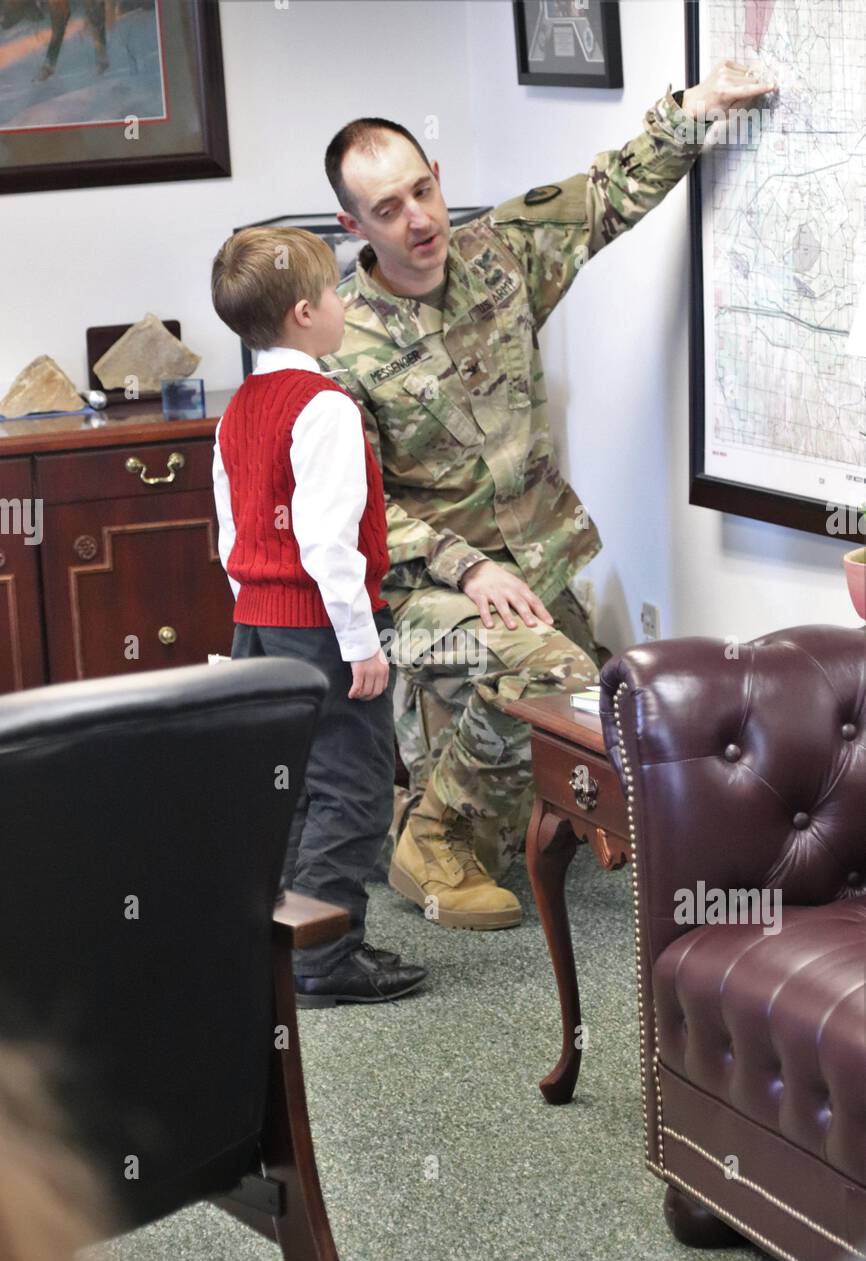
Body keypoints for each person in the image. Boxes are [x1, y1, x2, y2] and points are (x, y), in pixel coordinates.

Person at [320, 61, 777, 931]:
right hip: (420, 592)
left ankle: (443, 792)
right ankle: (432, 838)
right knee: (544, 676)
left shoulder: (499, 251)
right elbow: (358, 510)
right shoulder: (340, 344)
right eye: (389, 209)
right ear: (354, 226)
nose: (419, 219)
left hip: (534, 561)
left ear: (437, 177)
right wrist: (467, 568)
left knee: (600, 706)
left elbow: (606, 194)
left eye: (423, 190)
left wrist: (698, 108)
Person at [211, 226, 427, 1007]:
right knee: (355, 789)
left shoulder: (239, 408)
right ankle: (327, 959)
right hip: (321, 627)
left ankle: (290, 942)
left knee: (292, 787)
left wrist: (253, 615)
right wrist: (361, 643)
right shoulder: (325, 406)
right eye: (335, 291)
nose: (343, 302)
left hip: (258, 623)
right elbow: (328, 542)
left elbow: (231, 532)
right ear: (305, 312)